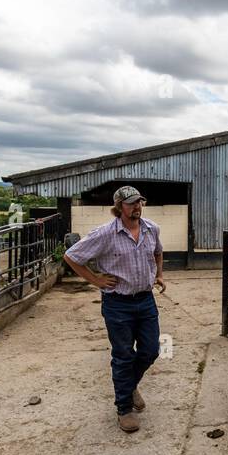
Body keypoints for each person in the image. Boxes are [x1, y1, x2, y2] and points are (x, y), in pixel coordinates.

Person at [64, 185, 166, 433]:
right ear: (119, 206)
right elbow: (71, 256)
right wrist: (96, 280)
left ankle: (129, 385)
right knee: (123, 355)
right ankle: (124, 409)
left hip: (146, 300)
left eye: (139, 202)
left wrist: (159, 275)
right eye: (131, 203)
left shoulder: (151, 228)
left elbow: (158, 252)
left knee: (151, 350)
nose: (137, 207)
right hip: (118, 304)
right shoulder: (104, 234)